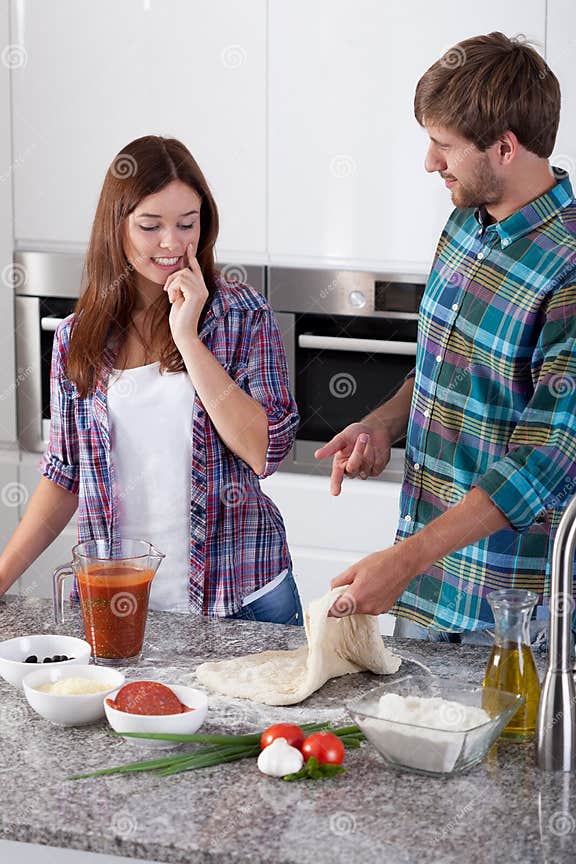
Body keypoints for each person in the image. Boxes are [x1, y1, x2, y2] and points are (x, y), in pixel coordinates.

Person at [315, 32, 576, 645]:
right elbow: (443, 371)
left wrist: (404, 560)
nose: (430, 163)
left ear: (505, 148)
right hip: (427, 598)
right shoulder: (465, 221)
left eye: (444, 146)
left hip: (511, 621)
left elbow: (548, 460)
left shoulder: (568, 268)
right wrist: (383, 423)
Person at [0, 135, 303, 626]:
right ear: (115, 228)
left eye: (188, 224)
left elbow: (263, 450)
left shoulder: (242, 315)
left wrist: (188, 337)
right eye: (150, 226)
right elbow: (64, 477)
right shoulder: (78, 338)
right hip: (122, 604)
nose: (172, 243)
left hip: (245, 600)